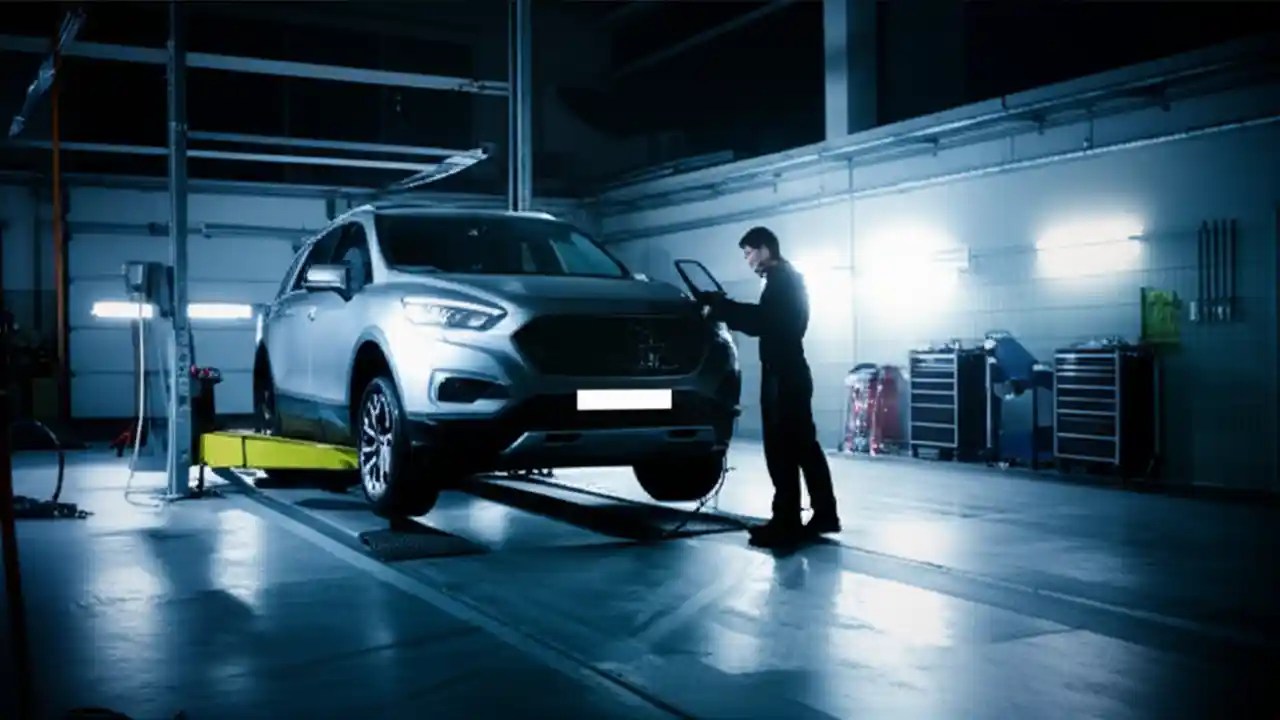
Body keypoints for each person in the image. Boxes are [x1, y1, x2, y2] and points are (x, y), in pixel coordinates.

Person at [701, 226, 841, 547]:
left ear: (764, 250)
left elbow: (763, 321)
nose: (748, 260)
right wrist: (729, 307)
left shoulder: (781, 282)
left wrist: (723, 308)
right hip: (793, 371)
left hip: (782, 376)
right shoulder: (790, 279)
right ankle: (825, 514)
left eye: (749, 252)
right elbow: (768, 319)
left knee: (781, 448)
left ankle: (786, 521)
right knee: (804, 445)